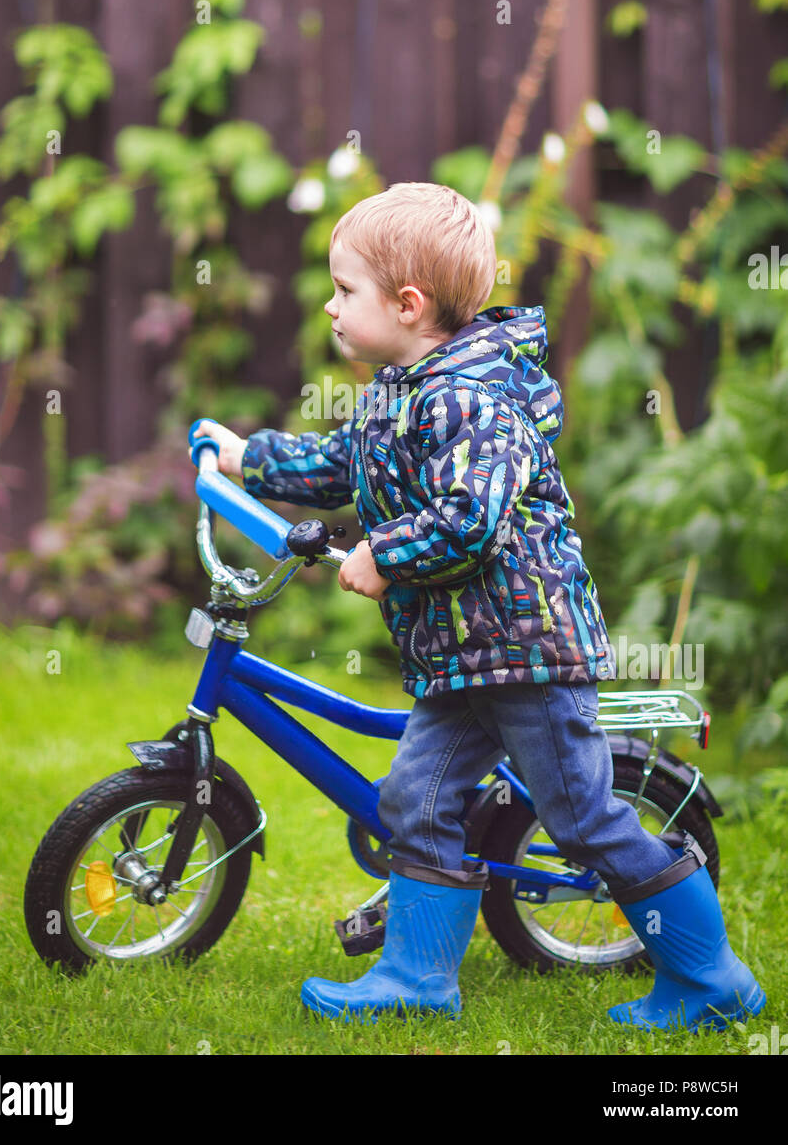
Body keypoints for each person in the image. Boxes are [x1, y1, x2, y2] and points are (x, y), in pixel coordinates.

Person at [194, 180, 765, 1033]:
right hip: (464, 659)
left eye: (345, 290)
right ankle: (416, 978)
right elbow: (344, 464)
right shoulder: (401, 384)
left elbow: (471, 521)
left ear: (409, 303)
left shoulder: (471, 400)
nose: (330, 305)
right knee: (414, 803)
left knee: (582, 820)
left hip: (529, 653)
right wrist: (251, 460)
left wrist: (383, 556)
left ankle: (712, 980)